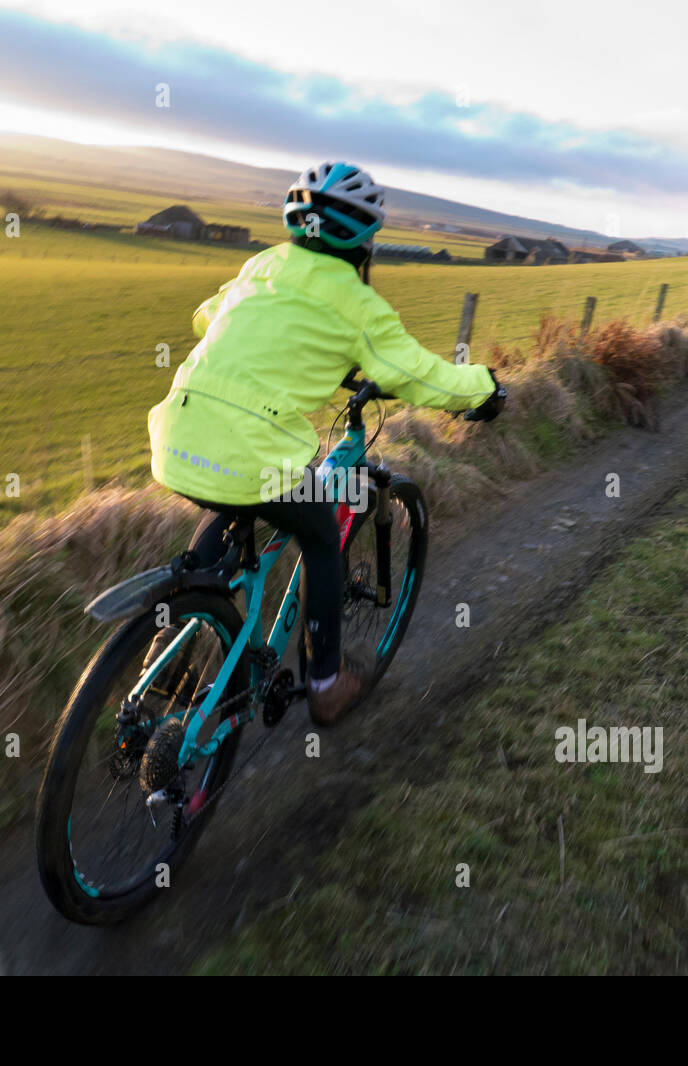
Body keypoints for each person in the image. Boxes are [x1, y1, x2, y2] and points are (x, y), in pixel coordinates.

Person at [146, 161, 505, 726]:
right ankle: (326, 684)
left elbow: (205, 318)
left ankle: (166, 653)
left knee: (231, 502)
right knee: (316, 533)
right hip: (248, 450)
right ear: (364, 241)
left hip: (176, 433)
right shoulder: (357, 305)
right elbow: (420, 375)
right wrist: (484, 390)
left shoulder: (261, 264)